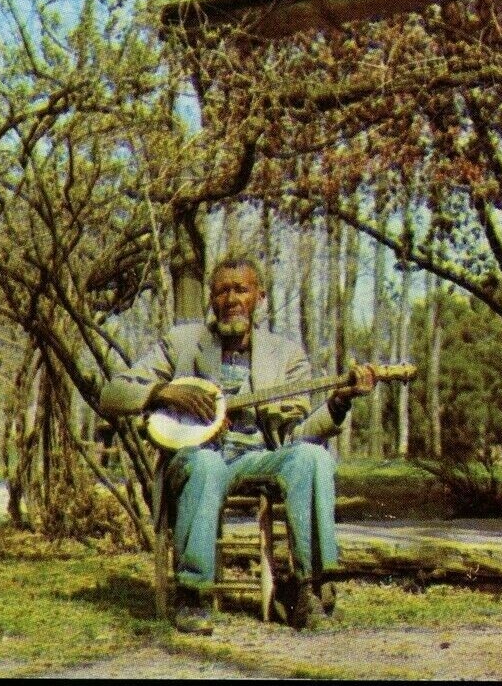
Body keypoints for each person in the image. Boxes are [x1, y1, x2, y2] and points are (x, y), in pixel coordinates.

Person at [101, 254, 374, 633]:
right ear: (211, 300)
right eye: (222, 291)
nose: (232, 299)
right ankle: (192, 595)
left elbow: (298, 433)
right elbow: (112, 392)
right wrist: (166, 392)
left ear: (259, 297)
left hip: (259, 457)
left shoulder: (286, 355)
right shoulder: (182, 343)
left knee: (311, 457)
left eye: (241, 290)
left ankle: (309, 589)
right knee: (207, 465)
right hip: (197, 458)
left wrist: (339, 402)